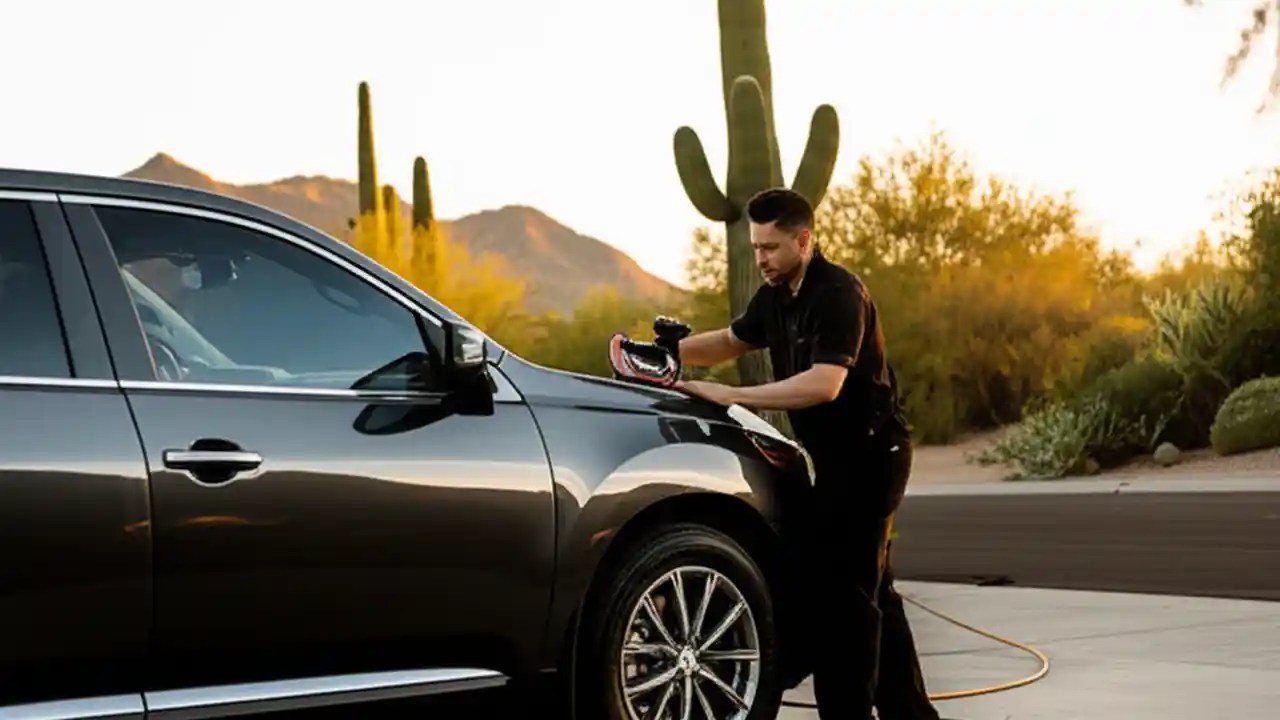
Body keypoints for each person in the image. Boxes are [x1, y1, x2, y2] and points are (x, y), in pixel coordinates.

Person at [675, 187, 946, 720]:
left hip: (873, 458)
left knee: (846, 598)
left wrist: (731, 395)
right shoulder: (775, 297)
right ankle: (911, 714)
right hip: (835, 462)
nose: (760, 260)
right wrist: (665, 353)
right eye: (754, 248)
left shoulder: (838, 292)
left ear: (804, 239)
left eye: (771, 248)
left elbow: (825, 385)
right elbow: (730, 341)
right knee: (872, 590)